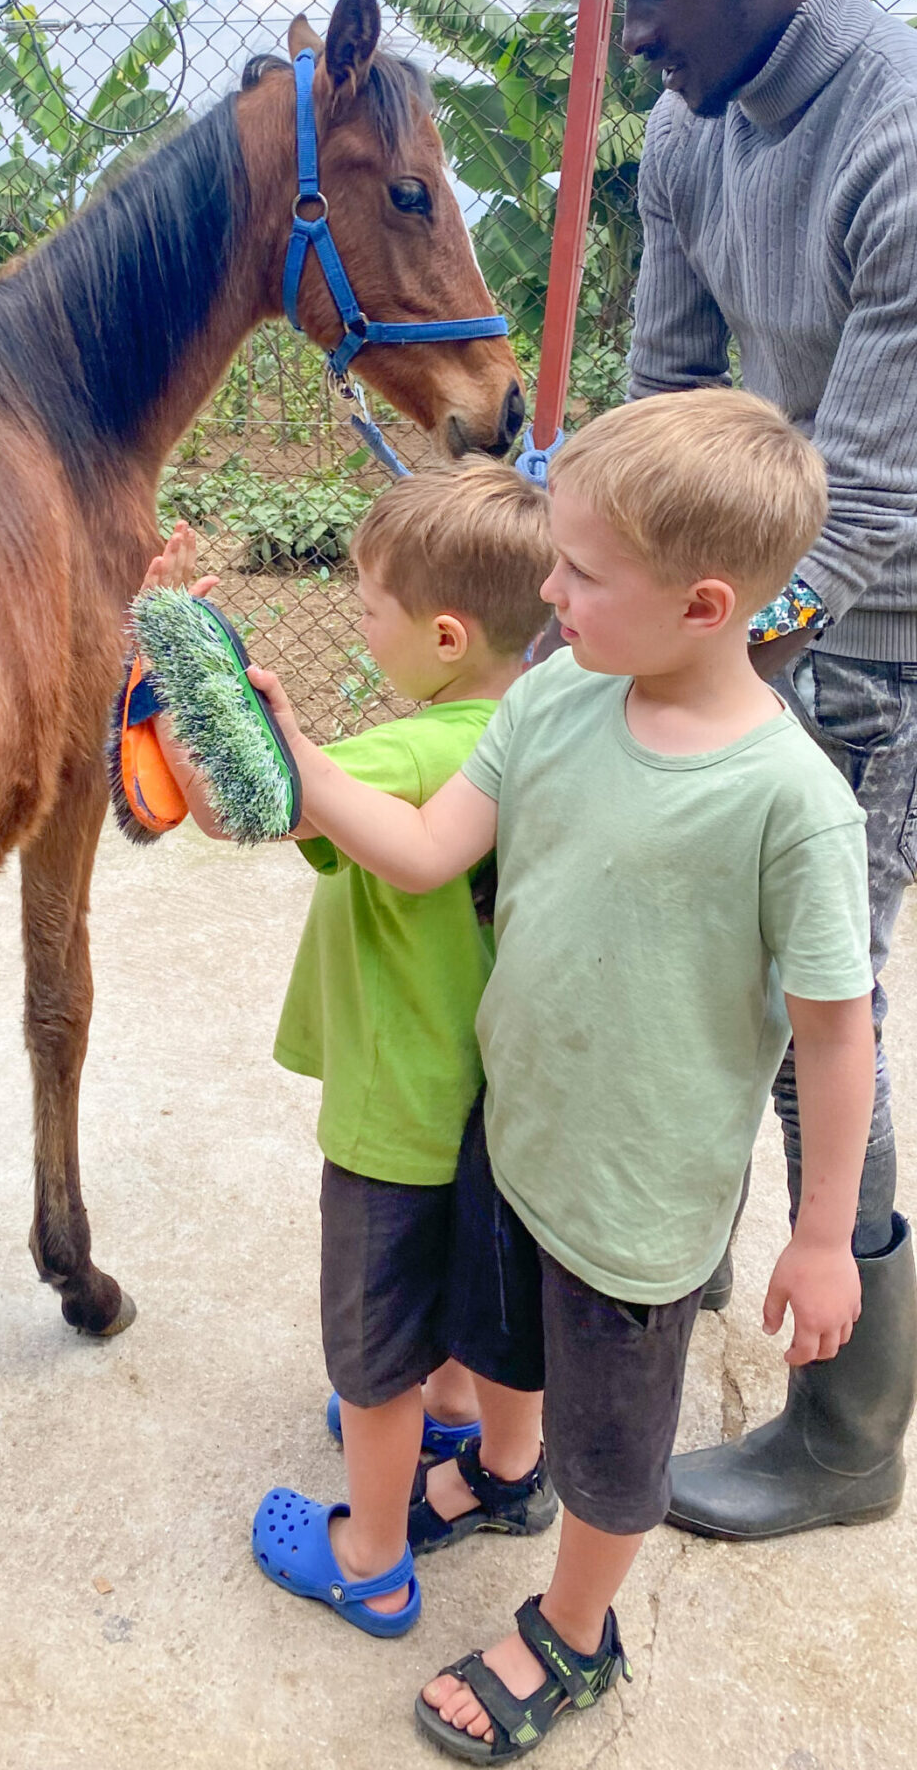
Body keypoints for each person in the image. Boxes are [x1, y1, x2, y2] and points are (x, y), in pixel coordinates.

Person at [246, 391, 876, 1759]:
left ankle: (573, 1632)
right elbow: (419, 852)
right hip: (511, 1137)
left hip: (639, 1204)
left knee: (612, 1449)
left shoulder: (789, 805)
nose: (547, 588)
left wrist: (820, 1235)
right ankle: (498, 1471)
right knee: (502, 1345)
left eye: (581, 573)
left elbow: (834, 1033)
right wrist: (291, 762)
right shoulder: (550, 704)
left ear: (703, 607)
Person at [588, 0, 917, 1539]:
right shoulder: (691, 131)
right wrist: (603, 598)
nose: (631, 33)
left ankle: (846, 1429)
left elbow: (852, 513)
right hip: (723, 610)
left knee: (807, 993)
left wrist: (672, 672)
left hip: (888, 628)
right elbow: (654, 401)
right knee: (671, 929)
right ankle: (674, 1255)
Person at [141, 461, 558, 1637]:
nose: (355, 618)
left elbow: (235, 801)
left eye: (365, 605)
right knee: (468, 1289)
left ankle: (370, 1553)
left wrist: (165, 659)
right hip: (489, 1103)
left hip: (390, 1111)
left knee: (367, 1360)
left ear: (439, 633)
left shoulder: (410, 760)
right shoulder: (536, 727)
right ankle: (463, 1425)